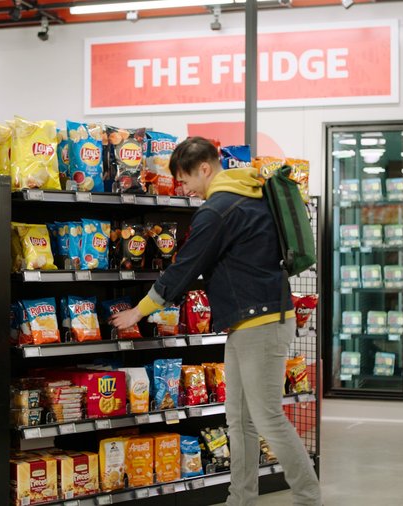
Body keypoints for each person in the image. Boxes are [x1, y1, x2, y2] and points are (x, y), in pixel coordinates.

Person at [110, 137, 321, 505]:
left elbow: (185, 267)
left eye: (186, 179)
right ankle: (240, 497)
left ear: (204, 168)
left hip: (262, 324)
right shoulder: (252, 194)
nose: (185, 188)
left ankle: (308, 496)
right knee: (240, 420)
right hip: (253, 322)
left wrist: (138, 311)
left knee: (268, 417)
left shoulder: (219, 209)